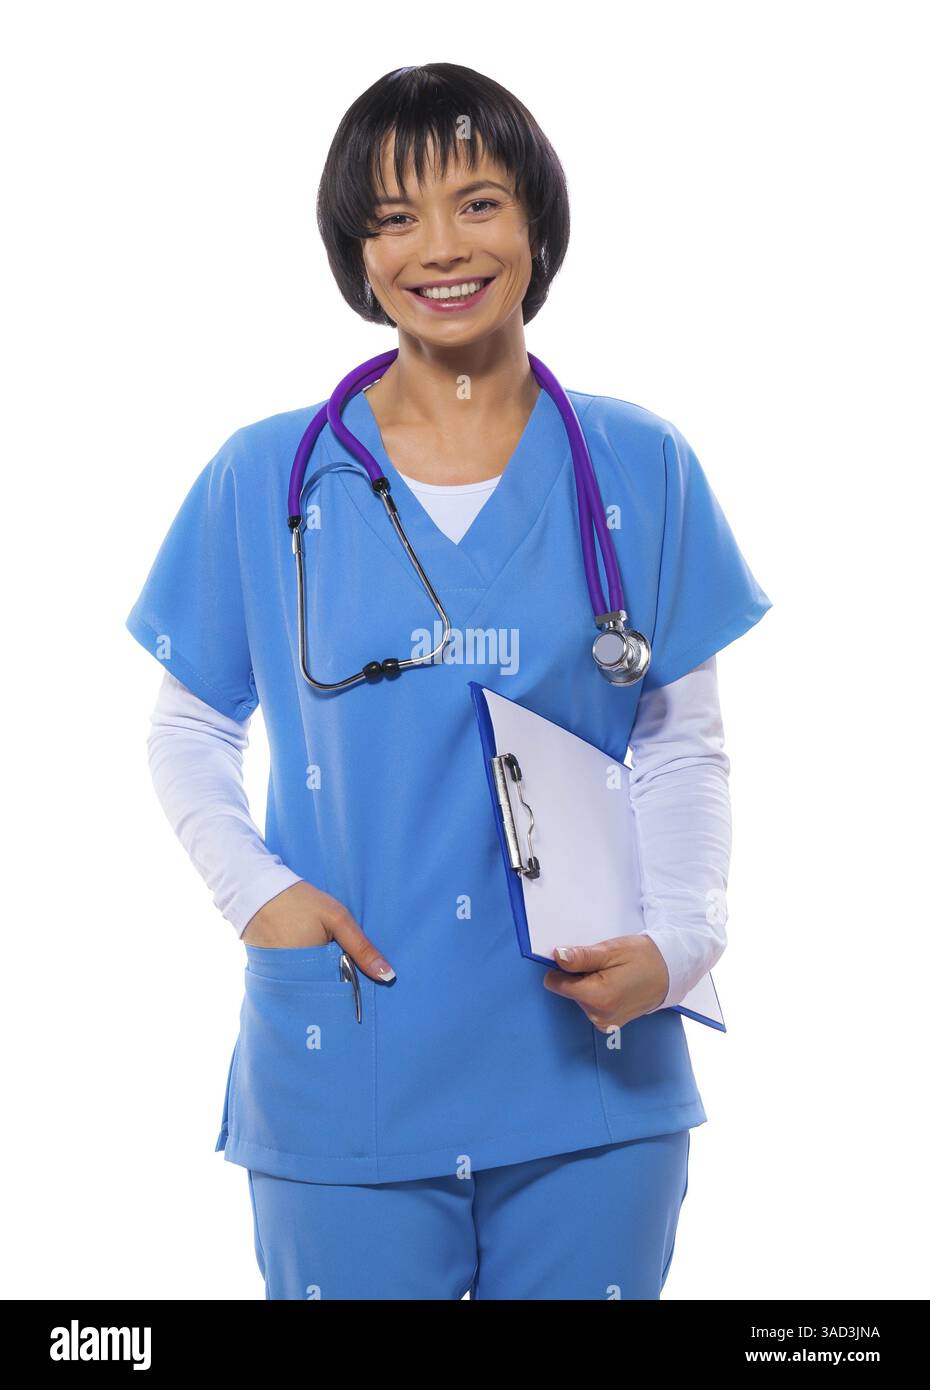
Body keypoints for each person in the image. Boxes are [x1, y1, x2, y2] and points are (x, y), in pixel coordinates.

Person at [126, 63, 771, 1300]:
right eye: (395, 217)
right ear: (356, 254)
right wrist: (257, 893)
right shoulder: (267, 477)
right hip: (351, 1046)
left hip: (593, 1057)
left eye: (478, 203)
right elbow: (192, 719)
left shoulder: (639, 463)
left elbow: (681, 740)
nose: (442, 248)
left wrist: (683, 944)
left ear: (536, 219)